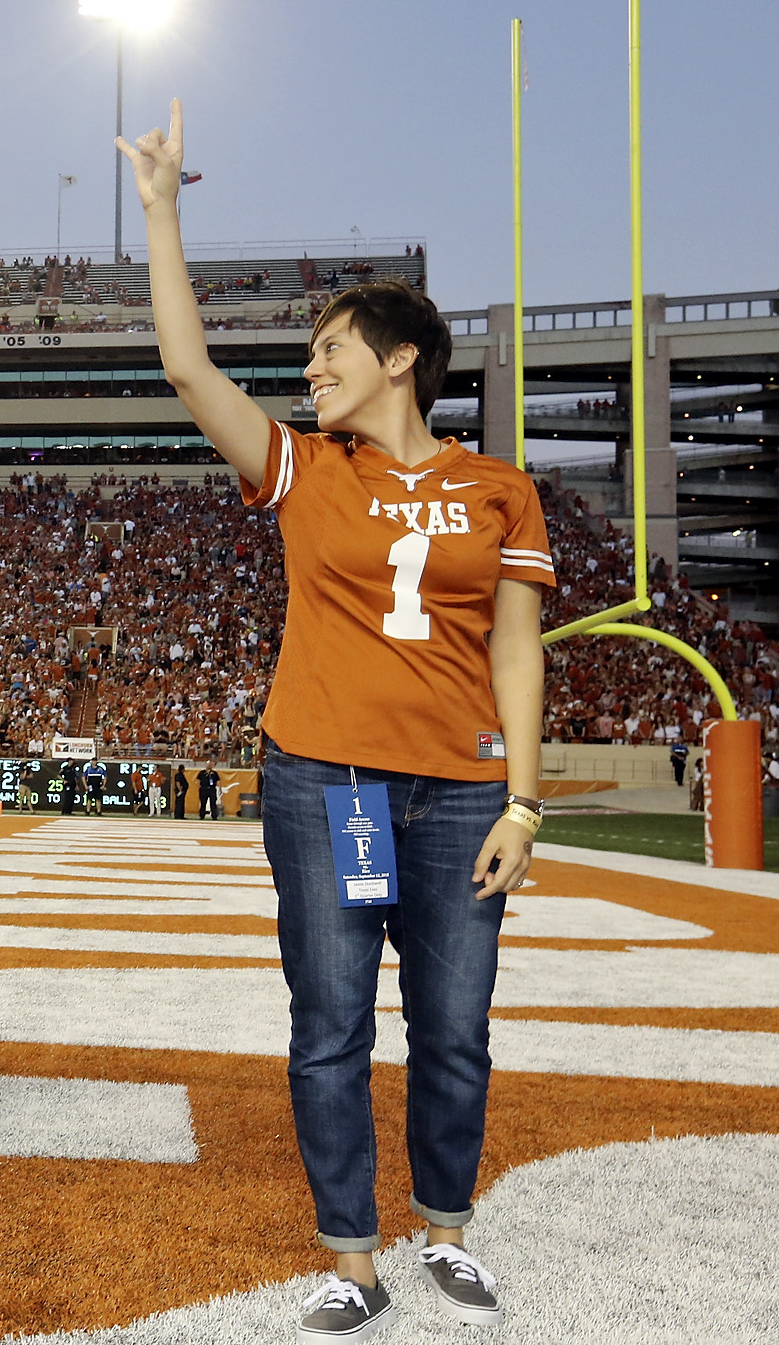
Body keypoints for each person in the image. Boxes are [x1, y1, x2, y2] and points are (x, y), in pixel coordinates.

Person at [122, 101, 554, 1338]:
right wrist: (160, 211)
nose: (309, 367)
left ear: (399, 357)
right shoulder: (303, 470)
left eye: (328, 348)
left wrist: (523, 798)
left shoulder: (497, 489)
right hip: (323, 782)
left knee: (454, 1023)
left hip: (460, 786)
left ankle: (446, 1232)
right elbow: (186, 369)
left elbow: (513, 649)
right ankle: (351, 1254)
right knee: (329, 1021)